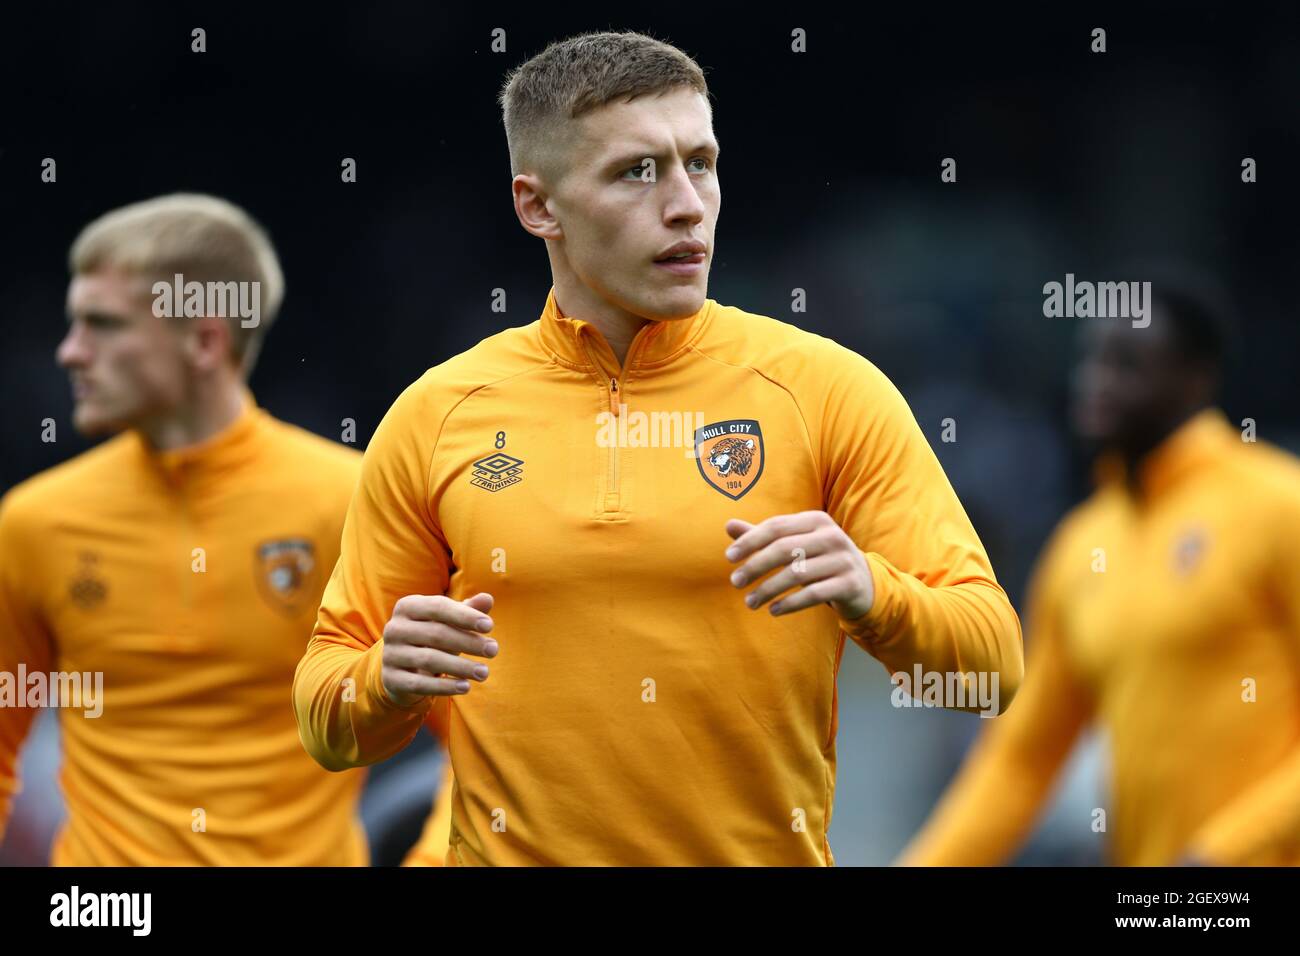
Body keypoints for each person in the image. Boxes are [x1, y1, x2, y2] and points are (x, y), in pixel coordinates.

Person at [294, 31, 1022, 866]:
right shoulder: (437, 414)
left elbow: (992, 673)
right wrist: (382, 682)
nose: (686, 205)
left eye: (701, 164)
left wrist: (874, 594)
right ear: (538, 207)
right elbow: (325, 722)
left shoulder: (827, 391)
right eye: (638, 172)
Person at [0, 194, 372, 865]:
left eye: (102, 324)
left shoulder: (351, 502)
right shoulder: (35, 522)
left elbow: (476, 725)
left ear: (204, 340)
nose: (69, 352)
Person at [898, 285, 1300, 866]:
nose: (1096, 381)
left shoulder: (1278, 506)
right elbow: (1021, 761)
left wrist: (1223, 854)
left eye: (1126, 364)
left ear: (1196, 379)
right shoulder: (1082, 547)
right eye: (1091, 360)